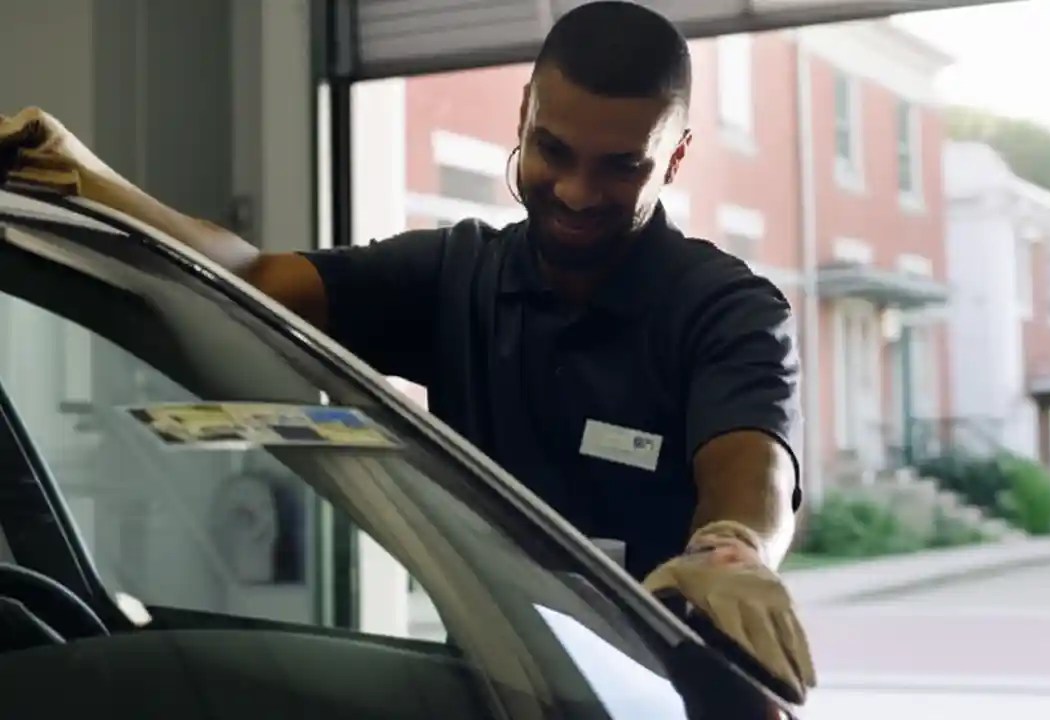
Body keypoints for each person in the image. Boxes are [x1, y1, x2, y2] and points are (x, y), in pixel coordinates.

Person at [0, 0, 814, 698]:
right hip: (511, 689)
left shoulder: (725, 308)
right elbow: (256, 280)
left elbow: (750, 462)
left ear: (673, 157)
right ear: (525, 113)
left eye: (621, 168)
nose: (575, 192)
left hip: (663, 701)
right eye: (554, 151)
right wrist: (88, 178)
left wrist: (732, 550)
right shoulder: (456, 276)